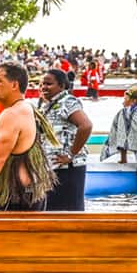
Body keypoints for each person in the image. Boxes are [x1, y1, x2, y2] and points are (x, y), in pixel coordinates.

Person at [0, 62, 56, 211]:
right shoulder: (26, 108)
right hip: (29, 194)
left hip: (17, 198)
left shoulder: (12, 114)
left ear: (14, 85)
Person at [38, 69, 92, 211]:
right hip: (53, 166)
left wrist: (70, 154)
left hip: (68, 167)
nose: (43, 87)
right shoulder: (47, 104)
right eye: (42, 84)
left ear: (61, 86)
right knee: (52, 210)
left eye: (48, 84)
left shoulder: (67, 101)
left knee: (69, 211)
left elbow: (86, 126)